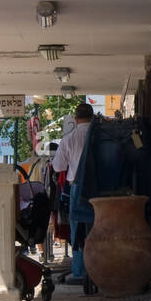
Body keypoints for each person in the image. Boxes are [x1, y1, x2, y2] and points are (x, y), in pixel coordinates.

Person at [52, 103, 94, 283]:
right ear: (92, 118)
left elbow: (58, 166)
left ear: (76, 119)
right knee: (99, 228)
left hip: (77, 187)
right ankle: (99, 270)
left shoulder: (69, 138)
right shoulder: (99, 137)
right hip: (100, 189)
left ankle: (79, 272)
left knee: (77, 231)